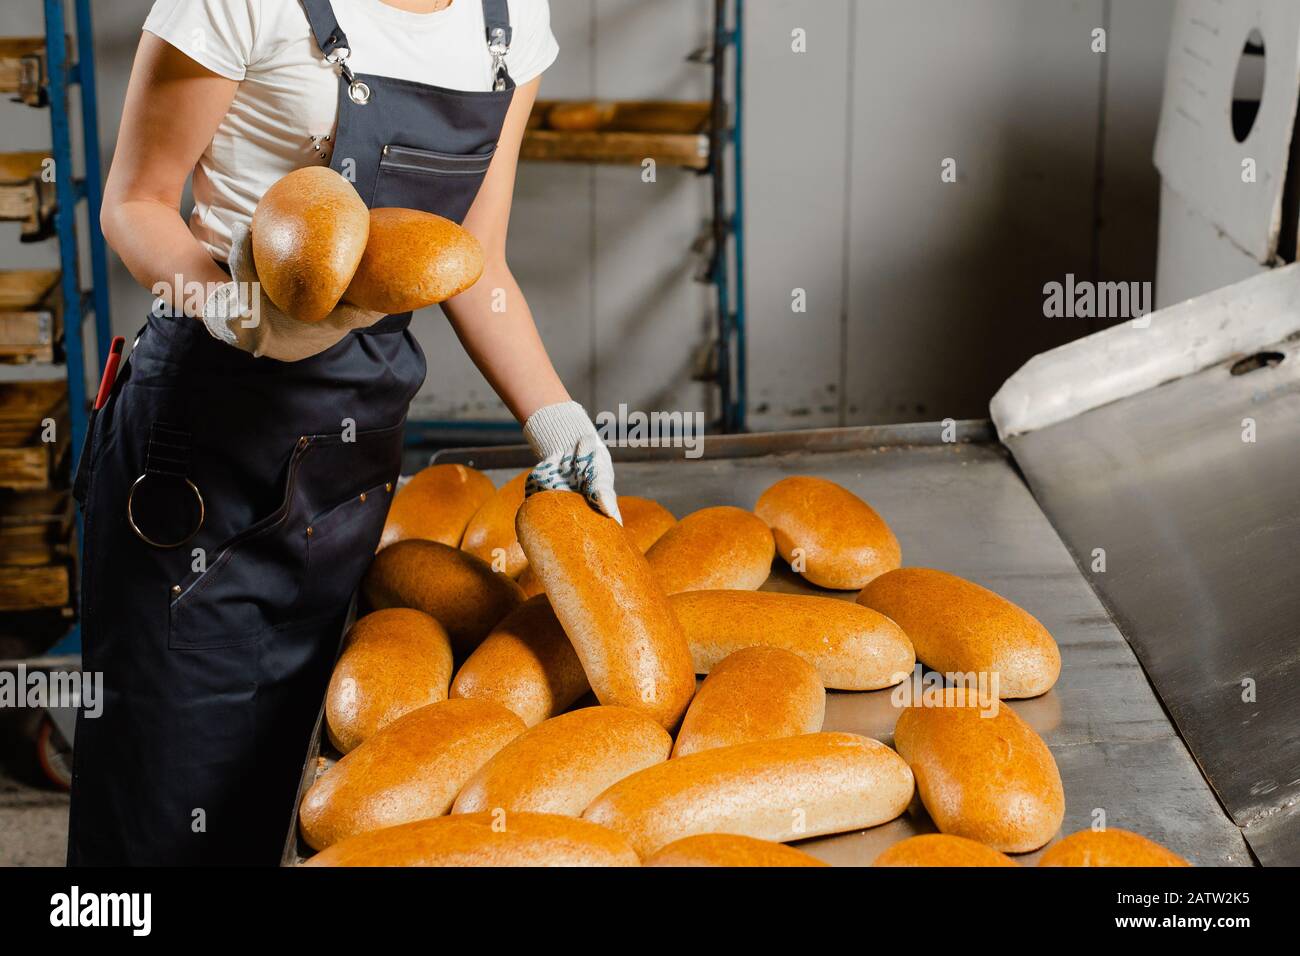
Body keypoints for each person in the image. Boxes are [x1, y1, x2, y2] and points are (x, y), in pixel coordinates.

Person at [69, 0, 617, 866]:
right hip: (198, 459)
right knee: (160, 813)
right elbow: (133, 205)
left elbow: (478, 256)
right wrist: (232, 306)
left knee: (279, 795)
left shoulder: (510, 21)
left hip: (348, 472)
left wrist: (555, 419)